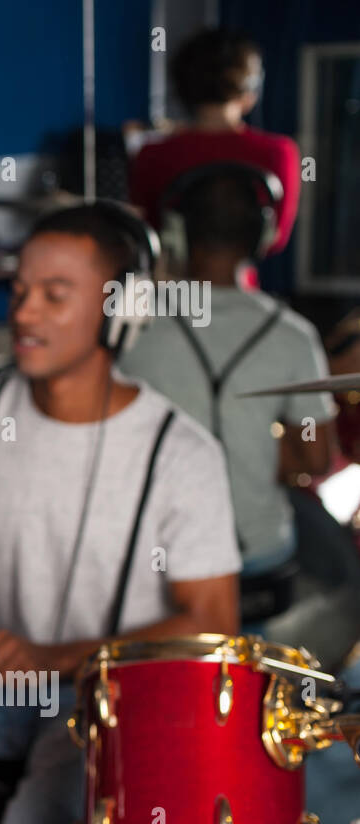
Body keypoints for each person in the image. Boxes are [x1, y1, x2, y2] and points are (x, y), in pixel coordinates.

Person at [0, 204, 241, 824]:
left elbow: (211, 624)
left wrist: (53, 655)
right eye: (18, 292)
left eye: (54, 296)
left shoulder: (180, 451)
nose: (24, 314)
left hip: (111, 702)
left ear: (121, 312)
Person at [118, 166, 337, 628]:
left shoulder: (131, 320)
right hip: (256, 553)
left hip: (152, 554)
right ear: (264, 236)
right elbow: (316, 460)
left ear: (176, 232)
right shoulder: (293, 335)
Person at [130, 29, 299, 289]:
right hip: (243, 296)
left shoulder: (152, 154)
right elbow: (276, 239)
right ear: (250, 87)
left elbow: (147, 230)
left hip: (173, 294)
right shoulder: (279, 152)